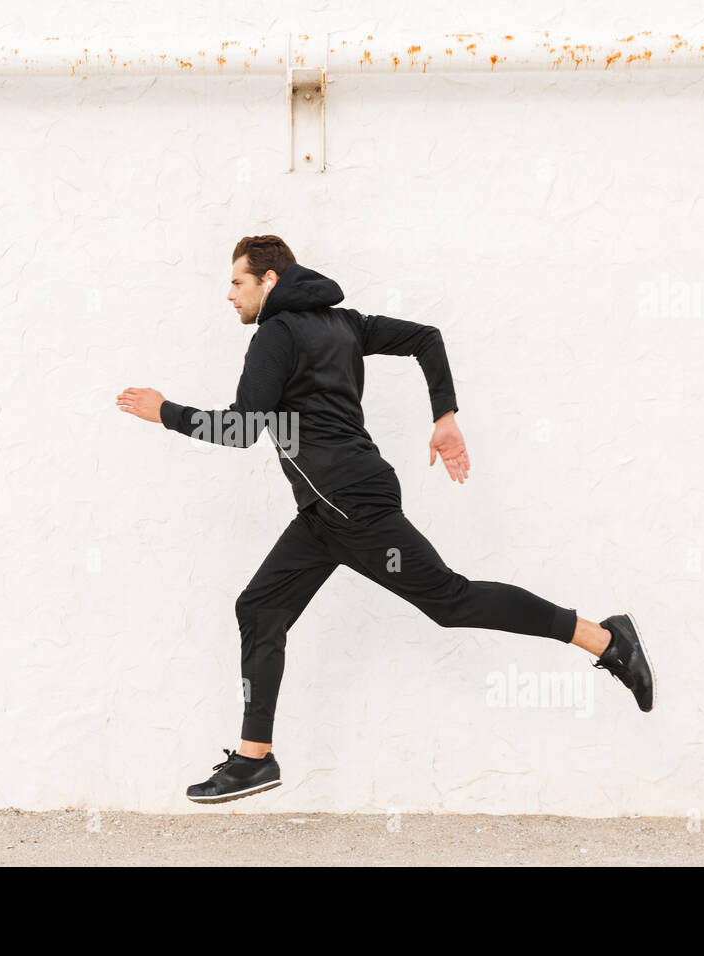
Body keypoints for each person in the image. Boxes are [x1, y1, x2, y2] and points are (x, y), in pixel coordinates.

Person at [116, 235, 655, 804]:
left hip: (349, 505)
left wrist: (165, 412)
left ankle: (604, 639)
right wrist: (443, 416)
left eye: (237, 282)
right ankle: (255, 759)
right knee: (260, 606)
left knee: (451, 601)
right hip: (329, 509)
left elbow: (242, 429)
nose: (229, 295)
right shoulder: (344, 323)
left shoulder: (274, 335)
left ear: (268, 281)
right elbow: (426, 338)